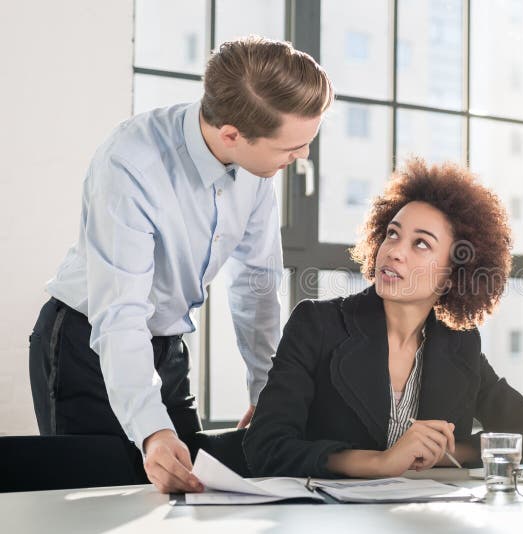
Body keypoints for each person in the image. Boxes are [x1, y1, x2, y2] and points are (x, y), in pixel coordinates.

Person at [28, 36, 333, 493]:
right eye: (291, 147)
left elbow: (256, 289)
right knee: (95, 501)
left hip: (167, 346)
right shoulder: (132, 163)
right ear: (232, 134)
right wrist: (153, 430)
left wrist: (269, 394)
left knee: (187, 492)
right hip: (85, 343)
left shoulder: (256, 168)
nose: (303, 156)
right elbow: (121, 314)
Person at [243, 159, 523, 478]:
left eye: (421, 243)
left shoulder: (459, 342)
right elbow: (266, 446)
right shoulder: (317, 324)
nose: (394, 251)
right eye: (392, 234)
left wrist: (443, 453)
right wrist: (381, 462)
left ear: (452, 276)